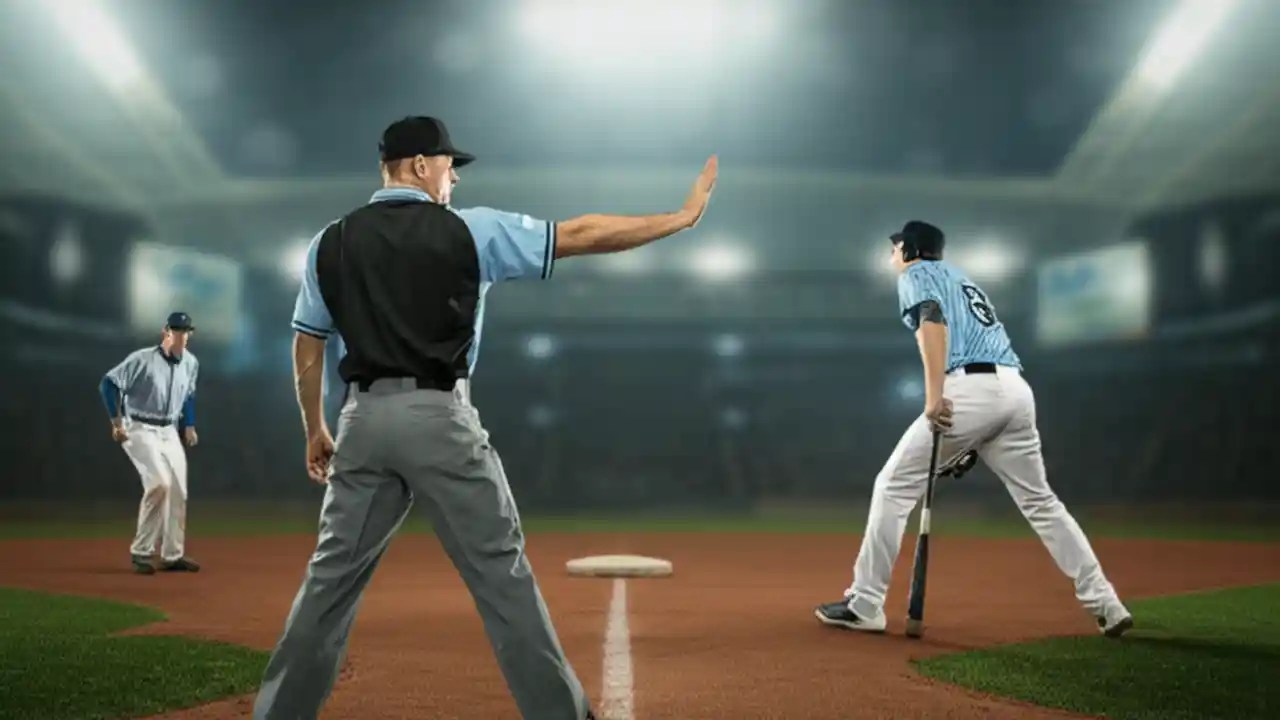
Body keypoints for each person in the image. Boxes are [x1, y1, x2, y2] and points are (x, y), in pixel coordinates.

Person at [253, 115, 717, 720]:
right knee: (502, 576)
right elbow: (580, 234)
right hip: (441, 418)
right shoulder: (470, 232)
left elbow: (307, 343)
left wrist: (315, 426)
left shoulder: (329, 242)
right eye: (449, 166)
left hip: (360, 423)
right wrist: (676, 220)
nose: (454, 179)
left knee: (328, 584)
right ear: (420, 166)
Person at [814, 221, 1132, 638]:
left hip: (971, 388)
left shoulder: (917, 274)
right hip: (1015, 391)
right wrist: (975, 436)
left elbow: (932, 322)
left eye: (895, 249)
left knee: (892, 487)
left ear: (909, 250)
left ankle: (865, 603)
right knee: (1042, 503)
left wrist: (934, 396)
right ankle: (1106, 602)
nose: (892, 256)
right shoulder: (964, 279)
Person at [100, 311, 201, 575]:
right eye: (177, 330)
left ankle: (172, 554)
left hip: (168, 429)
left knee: (179, 490)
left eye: (186, 331)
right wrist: (116, 422)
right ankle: (141, 551)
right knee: (159, 483)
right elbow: (108, 384)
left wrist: (188, 425)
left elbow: (188, 395)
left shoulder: (191, 362)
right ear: (165, 332)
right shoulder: (142, 359)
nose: (181, 335)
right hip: (140, 427)